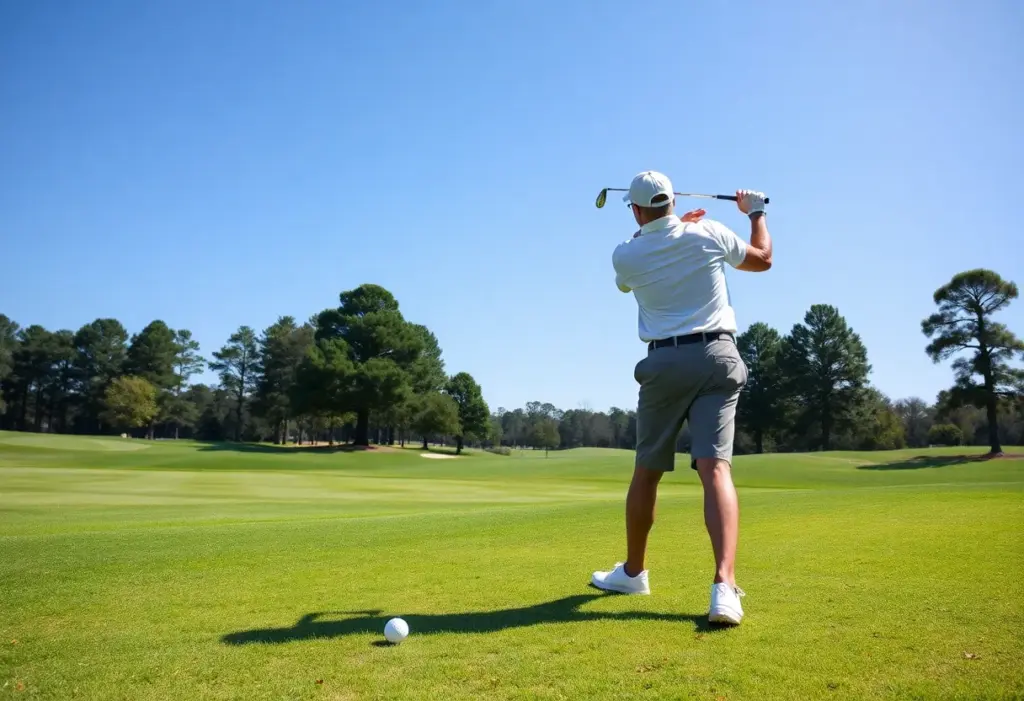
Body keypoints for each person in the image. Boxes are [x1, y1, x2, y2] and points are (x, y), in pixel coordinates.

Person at [590, 170, 772, 626]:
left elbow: (641, 253)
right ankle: (724, 588)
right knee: (714, 468)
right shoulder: (707, 232)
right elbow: (763, 259)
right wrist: (755, 213)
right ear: (673, 202)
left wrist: (664, 228)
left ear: (635, 210)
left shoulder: (625, 256)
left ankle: (633, 573)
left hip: (664, 363)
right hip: (717, 357)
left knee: (647, 470)